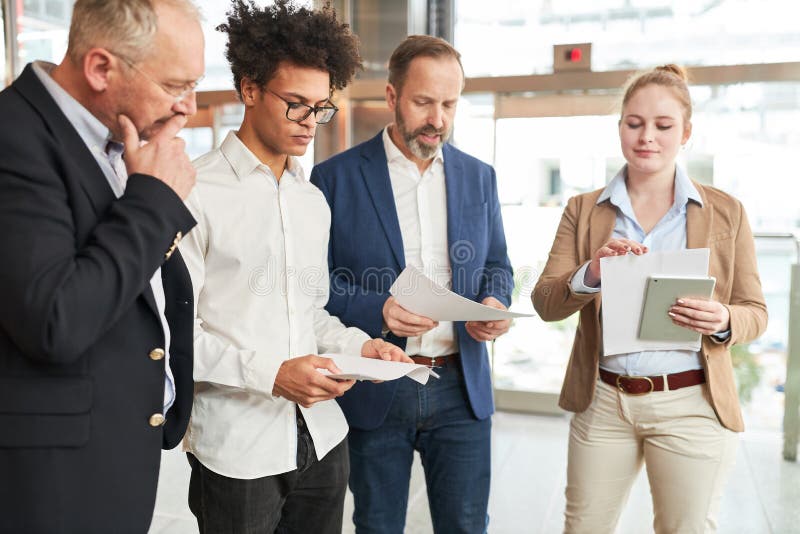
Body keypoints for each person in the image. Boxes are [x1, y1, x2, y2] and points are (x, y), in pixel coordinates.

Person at [178, 2, 411, 533]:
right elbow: (177, 335)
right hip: (239, 449)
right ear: (250, 89)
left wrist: (358, 346)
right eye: (295, 104)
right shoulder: (194, 191)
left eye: (321, 107)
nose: (310, 122)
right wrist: (273, 375)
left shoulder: (312, 202)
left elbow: (310, 313)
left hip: (324, 439)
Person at [533, 64, 768, 533]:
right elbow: (545, 301)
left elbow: (755, 313)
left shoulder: (726, 211)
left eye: (663, 126)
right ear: (620, 125)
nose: (647, 138)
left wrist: (722, 318)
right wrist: (592, 272)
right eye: (634, 123)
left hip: (692, 402)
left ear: (686, 133)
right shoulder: (584, 209)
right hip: (603, 401)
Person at [0, 0, 204, 532]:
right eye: (175, 86)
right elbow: (54, 319)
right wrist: (155, 200)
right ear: (99, 68)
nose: (189, 108)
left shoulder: (117, 141)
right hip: (51, 484)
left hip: (115, 456)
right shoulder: (11, 136)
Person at [310, 35, 514, 534]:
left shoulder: (479, 177)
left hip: (461, 388)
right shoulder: (333, 178)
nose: (438, 119)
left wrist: (493, 300)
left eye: (449, 104)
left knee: (466, 525)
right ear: (392, 97)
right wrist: (379, 308)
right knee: (377, 525)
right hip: (378, 386)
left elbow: (497, 265)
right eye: (424, 102)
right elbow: (313, 286)